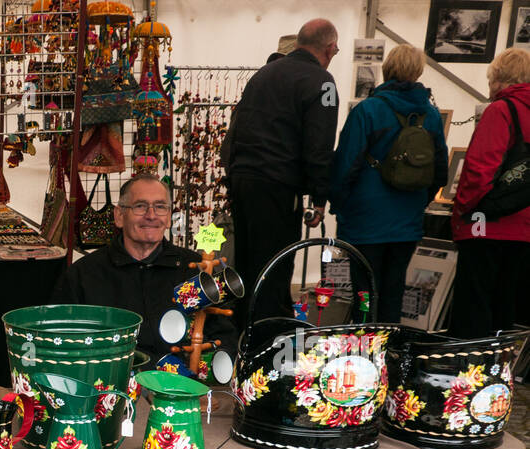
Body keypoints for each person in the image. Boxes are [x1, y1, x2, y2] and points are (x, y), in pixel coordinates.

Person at [50, 173, 237, 366]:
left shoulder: (194, 270)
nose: (151, 215)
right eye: (140, 206)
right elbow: (63, 344)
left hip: (183, 388)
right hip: (112, 386)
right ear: (119, 216)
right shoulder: (85, 274)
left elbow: (223, 336)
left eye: (160, 207)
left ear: (169, 218)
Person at [221, 19, 340, 322]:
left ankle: (242, 331)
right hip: (278, 184)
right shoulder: (321, 82)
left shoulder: (262, 75)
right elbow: (320, 146)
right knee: (275, 265)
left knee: (247, 264)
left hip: (244, 180)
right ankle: (267, 337)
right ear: (329, 48)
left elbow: (234, 132)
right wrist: (319, 198)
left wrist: (234, 178)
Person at [329, 44, 447, 323]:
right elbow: (439, 171)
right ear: (417, 71)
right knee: (394, 290)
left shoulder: (367, 111)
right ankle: (391, 351)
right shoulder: (430, 116)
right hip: (407, 220)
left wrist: (340, 204)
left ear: (387, 69)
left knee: (365, 293)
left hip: (365, 220)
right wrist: (419, 201)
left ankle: (366, 349)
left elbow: (345, 165)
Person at [448, 48, 530, 338]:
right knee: (505, 308)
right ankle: (499, 372)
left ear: (499, 78)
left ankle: (470, 374)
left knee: (474, 307)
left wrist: (461, 213)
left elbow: (478, 173)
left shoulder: (500, 110)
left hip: (485, 223)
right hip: (522, 226)